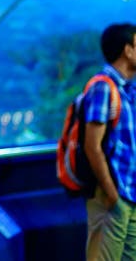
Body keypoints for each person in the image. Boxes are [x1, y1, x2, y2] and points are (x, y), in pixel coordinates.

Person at [84, 23, 136, 260]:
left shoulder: (128, 91)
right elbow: (92, 146)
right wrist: (111, 193)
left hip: (130, 195)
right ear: (128, 50)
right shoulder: (103, 87)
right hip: (112, 195)